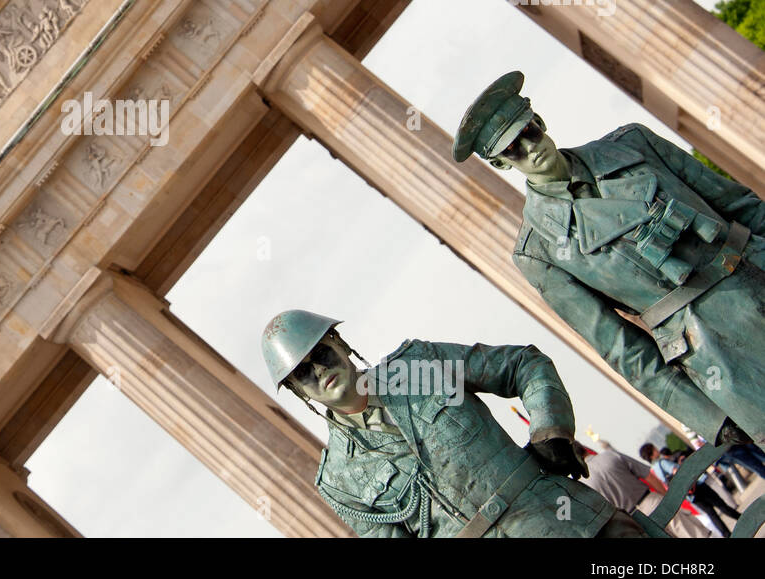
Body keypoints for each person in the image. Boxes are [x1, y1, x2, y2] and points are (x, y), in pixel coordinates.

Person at [452, 72, 765, 444]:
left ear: (541, 122)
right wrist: (709, 418)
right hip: (722, 358)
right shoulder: (538, 251)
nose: (530, 148)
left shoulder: (634, 142)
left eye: (530, 132)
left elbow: (738, 203)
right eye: (513, 149)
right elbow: (619, 346)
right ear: (502, 164)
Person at [259, 309, 644, 537]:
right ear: (298, 391)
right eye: (304, 372)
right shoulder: (339, 481)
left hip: (572, 522)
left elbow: (523, 365)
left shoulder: (419, 365)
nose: (320, 370)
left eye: (322, 352)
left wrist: (551, 431)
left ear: (339, 341)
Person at [582, 441, 705, 538]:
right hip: (651, 501)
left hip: (634, 522)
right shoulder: (609, 456)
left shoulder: (584, 484)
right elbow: (649, 476)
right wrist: (668, 498)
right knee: (692, 533)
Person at [640, 443, 740, 537]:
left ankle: (727, 535)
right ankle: (741, 518)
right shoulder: (662, 462)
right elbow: (677, 471)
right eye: (654, 449)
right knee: (721, 505)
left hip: (689, 495)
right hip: (696, 487)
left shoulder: (654, 470)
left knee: (711, 514)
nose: (657, 449)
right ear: (652, 454)